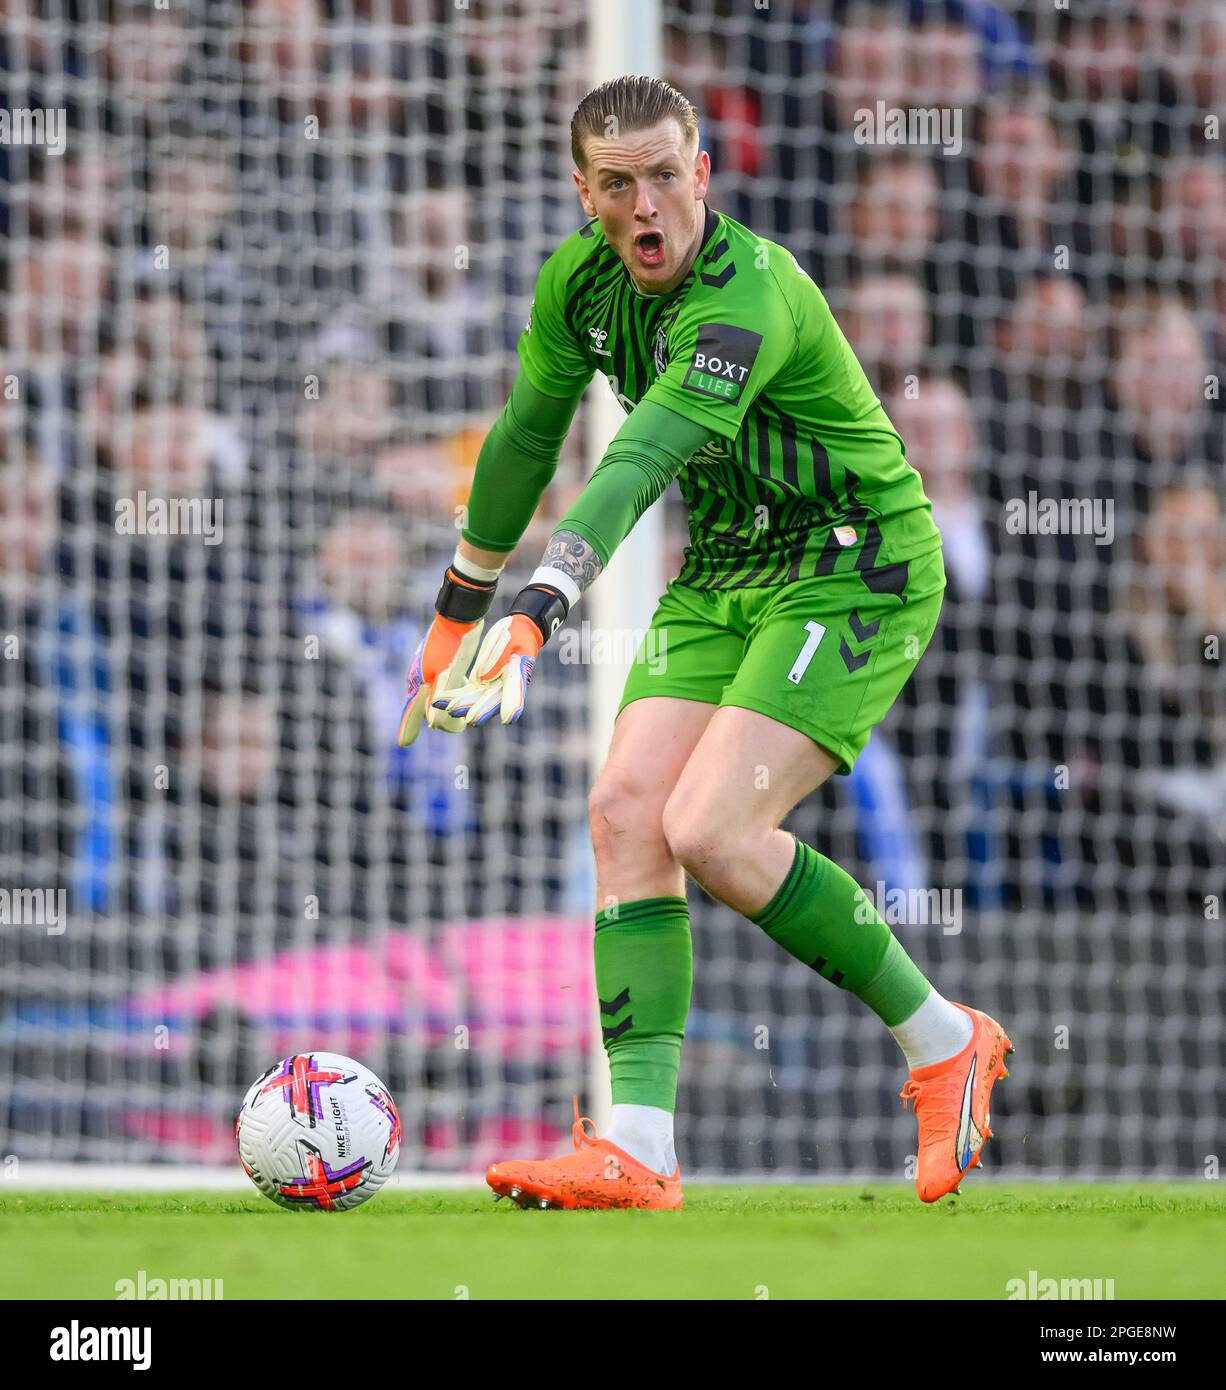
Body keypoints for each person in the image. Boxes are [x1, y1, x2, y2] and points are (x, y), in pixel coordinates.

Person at [399, 76, 1012, 1210]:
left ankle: (942, 1041)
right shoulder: (576, 286)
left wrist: (532, 614)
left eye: (665, 175)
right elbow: (528, 438)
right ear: (582, 192)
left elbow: (631, 464)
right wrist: (452, 614)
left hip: (853, 561)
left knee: (710, 828)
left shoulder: (747, 299)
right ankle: (639, 1144)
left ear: (704, 176)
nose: (646, 206)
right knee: (625, 812)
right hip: (727, 564)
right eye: (617, 183)